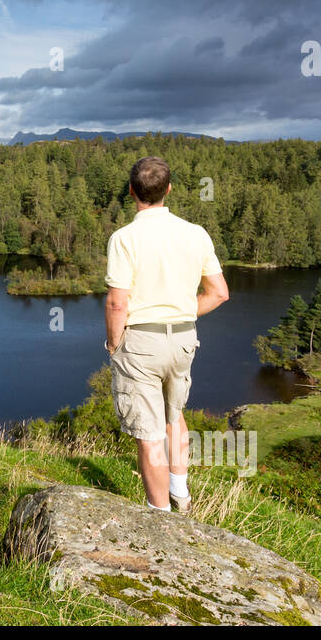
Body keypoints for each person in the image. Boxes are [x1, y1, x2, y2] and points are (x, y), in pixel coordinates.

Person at [103, 156, 229, 513]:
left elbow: (116, 303)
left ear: (131, 191)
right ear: (168, 190)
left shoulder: (124, 238)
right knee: (174, 416)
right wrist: (185, 312)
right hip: (184, 340)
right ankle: (181, 496)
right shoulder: (195, 233)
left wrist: (115, 344)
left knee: (148, 433)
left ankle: (160, 518)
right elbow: (219, 293)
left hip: (141, 341)